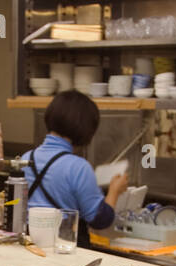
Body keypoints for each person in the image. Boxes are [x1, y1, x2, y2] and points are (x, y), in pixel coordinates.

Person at [22, 90, 129, 246]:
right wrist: (114, 191)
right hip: (64, 250)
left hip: (30, 245)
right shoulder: (78, 167)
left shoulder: (26, 158)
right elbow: (100, 219)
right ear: (86, 129)